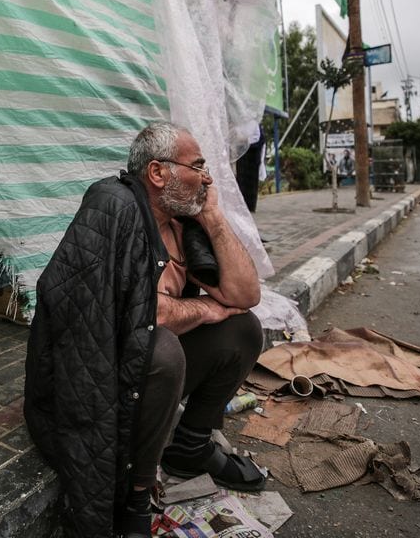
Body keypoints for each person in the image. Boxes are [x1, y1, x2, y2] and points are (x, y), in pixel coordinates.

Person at [25, 121, 266, 538]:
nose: (207, 177)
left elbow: (245, 294)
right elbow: (131, 312)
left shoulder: (184, 225)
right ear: (157, 173)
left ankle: (190, 446)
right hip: (104, 377)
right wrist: (205, 310)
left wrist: (211, 216)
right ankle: (137, 492)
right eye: (198, 166)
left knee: (244, 329)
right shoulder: (112, 205)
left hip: (146, 375)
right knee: (164, 348)